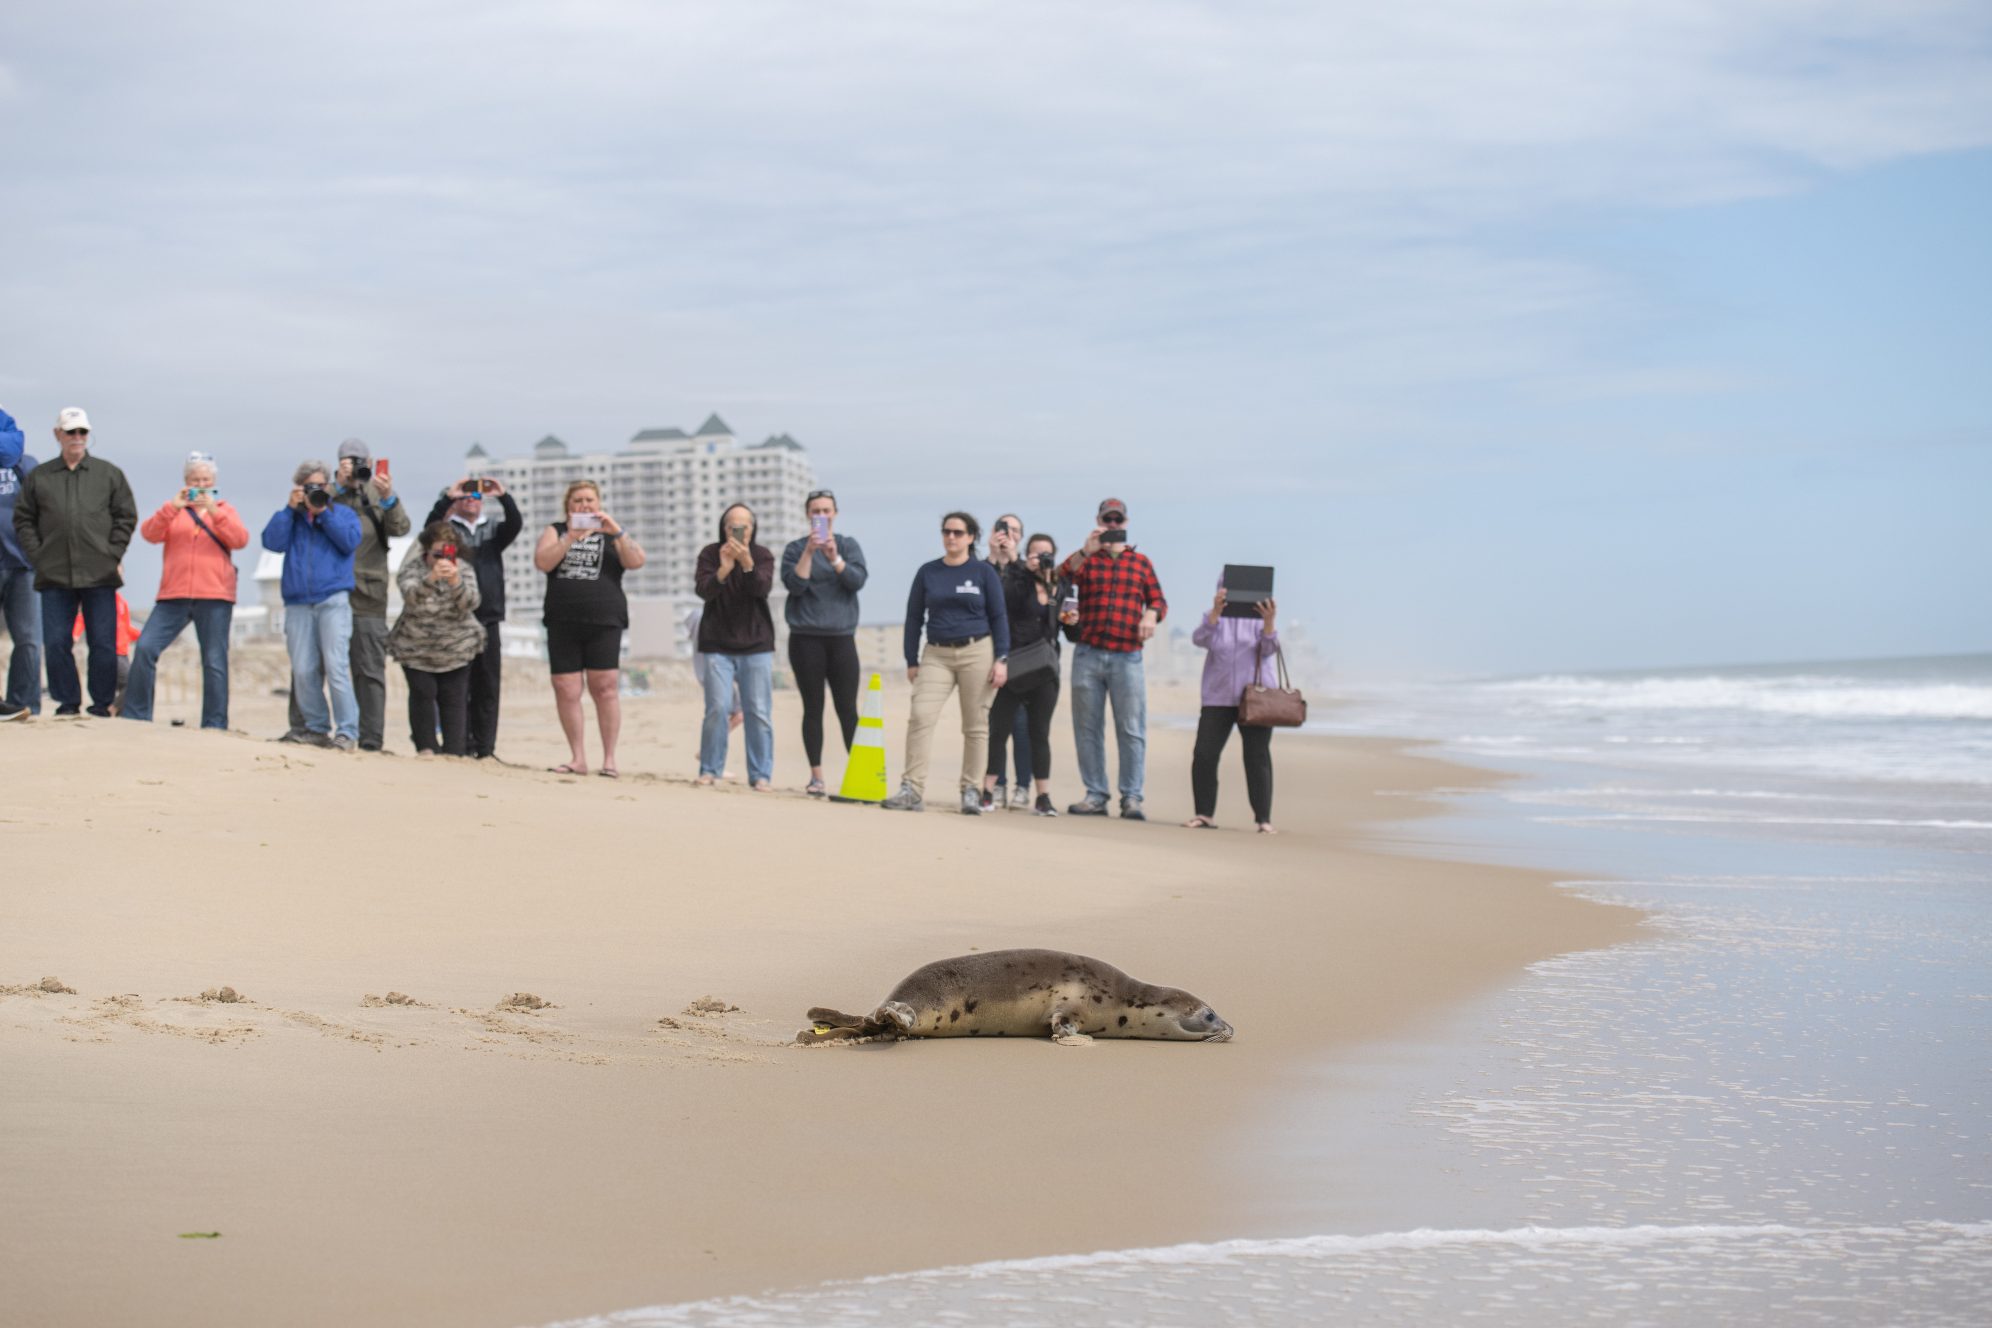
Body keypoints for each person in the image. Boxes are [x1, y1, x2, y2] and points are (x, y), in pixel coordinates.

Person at [10, 407, 137, 718]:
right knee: (55, 643)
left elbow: (126, 516)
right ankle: (67, 703)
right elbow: (24, 519)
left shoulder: (109, 474)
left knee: (103, 644)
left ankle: (100, 705)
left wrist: (112, 553)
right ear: (58, 435)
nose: (77, 438)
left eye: (82, 432)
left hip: (100, 574)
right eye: (71, 432)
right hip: (54, 574)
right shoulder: (40, 477)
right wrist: (38, 556)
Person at [882, 512, 1009, 814]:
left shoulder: (983, 573)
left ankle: (970, 791)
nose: (951, 537)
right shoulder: (928, 572)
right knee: (921, 716)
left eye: (957, 532)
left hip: (977, 651)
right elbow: (914, 617)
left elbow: (999, 616)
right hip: (936, 654)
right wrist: (911, 659)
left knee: (976, 726)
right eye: (946, 532)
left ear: (970, 537)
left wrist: (1001, 658)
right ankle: (911, 788)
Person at [284, 439, 407, 750]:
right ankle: (306, 728)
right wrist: (337, 485)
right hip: (326, 589)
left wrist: (387, 495)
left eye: (360, 461)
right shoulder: (328, 492)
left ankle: (369, 739)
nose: (356, 467)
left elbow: (401, 528)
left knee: (368, 667)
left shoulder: (377, 493)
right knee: (310, 662)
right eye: (348, 462)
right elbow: (316, 512)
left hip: (368, 593)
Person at [119, 453, 247, 730]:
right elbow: (149, 534)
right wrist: (171, 508)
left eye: (206, 480)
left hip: (215, 595)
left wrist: (214, 511)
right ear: (185, 482)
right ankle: (136, 715)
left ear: (214, 483)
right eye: (195, 480)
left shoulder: (225, 510)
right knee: (145, 647)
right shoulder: (174, 511)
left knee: (214, 659)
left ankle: (215, 723)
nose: (201, 485)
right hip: (173, 596)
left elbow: (240, 539)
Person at [1059, 497, 1167, 820]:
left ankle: (1132, 797)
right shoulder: (1087, 560)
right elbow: (1058, 579)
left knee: (1131, 728)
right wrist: (1084, 551)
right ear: (1099, 521)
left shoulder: (1141, 563)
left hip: (1127, 656)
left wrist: (1150, 614)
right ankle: (1095, 794)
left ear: (1126, 523)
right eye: (1108, 520)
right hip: (1088, 653)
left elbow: (1159, 600)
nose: (1113, 526)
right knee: (1087, 727)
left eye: (1118, 521)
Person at [534, 480, 646, 776]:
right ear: (568, 506)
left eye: (589, 501)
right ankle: (577, 757)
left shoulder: (612, 534)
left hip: (605, 620)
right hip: (562, 621)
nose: (584, 506)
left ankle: (609, 759)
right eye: (577, 501)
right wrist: (569, 537)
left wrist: (617, 531)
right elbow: (543, 562)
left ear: (599, 504)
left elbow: (636, 561)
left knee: (605, 687)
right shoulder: (556, 530)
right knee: (566, 688)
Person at [262, 460, 363, 749]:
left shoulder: (342, 513)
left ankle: (347, 732)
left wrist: (323, 514)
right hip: (297, 603)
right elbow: (272, 542)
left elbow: (349, 541)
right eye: (308, 488)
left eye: (319, 486)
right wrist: (289, 509)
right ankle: (317, 728)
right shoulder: (291, 518)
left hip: (332, 599)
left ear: (329, 486)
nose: (314, 492)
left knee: (336, 666)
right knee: (303, 669)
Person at [424, 476, 523, 759]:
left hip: (489, 617)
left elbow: (515, 524)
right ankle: (461, 744)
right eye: (465, 495)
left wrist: (502, 495)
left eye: (476, 495)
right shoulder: (446, 531)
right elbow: (428, 530)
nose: (471, 499)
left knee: (487, 685)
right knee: (458, 685)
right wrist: (449, 497)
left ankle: (485, 747)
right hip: (455, 617)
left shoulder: (493, 530)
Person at [780, 488, 868, 796]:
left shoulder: (847, 545)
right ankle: (816, 777)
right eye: (815, 511)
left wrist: (835, 558)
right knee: (812, 708)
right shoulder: (794, 549)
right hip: (805, 639)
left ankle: (862, 774)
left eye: (826, 511)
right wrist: (809, 552)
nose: (821, 516)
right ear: (807, 515)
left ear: (835, 514)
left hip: (842, 638)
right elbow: (795, 585)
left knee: (848, 709)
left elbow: (857, 581)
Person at [1185, 582, 1280, 834]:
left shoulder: (1260, 618)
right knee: (1204, 754)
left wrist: (1269, 623)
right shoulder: (1215, 618)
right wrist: (1215, 614)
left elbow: (1269, 649)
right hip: (1217, 695)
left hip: (1256, 696)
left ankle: (1263, 819)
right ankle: (1204, 814)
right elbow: (1200, 639)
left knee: (1257, 756)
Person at [694, 502, 776, 790]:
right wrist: (724, 569)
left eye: (744, 526)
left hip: (757, 644)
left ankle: (761, 775)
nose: (739, 531)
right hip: (717, 642)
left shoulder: (762, 555)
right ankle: (710, 769)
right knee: (717, 708)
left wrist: (747, 564)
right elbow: (703, 591)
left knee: (758, 711)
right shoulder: (709, 554)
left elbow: (762, 589)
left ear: (752, 529)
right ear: (723, 528)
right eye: (732, 526)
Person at [981, 533, 1063, 816]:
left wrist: (1070, 619)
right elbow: (1003, 606)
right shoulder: (1016, 581)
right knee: (999, 730)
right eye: (1035, 553)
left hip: (1045, 671)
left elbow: (1068, 631)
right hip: (1013, 666)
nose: (1041, 558)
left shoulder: (1059, 587)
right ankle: (988, 791)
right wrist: (1024, 571)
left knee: (1039, 733)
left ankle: (1043, 797)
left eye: (1046, 554)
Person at [388, 521, 486, 757]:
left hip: (457, 647)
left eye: (448, 552)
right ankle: (426, 747)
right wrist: (430, 578)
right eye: (437, 553)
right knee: (422, 694)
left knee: (454, 699)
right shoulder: (413, 569)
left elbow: (472, 603)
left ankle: (454, 751)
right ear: (426, 551)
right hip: (416, 647)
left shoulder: (463, 569)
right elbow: (411, 597)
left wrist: (455, 582)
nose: (442, 558)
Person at [984, 513, 1034, 809]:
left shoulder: (1026, 569)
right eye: (1003, 529)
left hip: (1022, 656)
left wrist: (1014, 560)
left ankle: (1023, 786)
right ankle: (996, 783)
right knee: (993, 726)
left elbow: (1030, 599)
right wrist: (993, 556)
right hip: (988, 654)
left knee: (1022, 725)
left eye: (1015, 530)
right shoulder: (983, 567)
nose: (1008, 534)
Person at [0, 403, 39, 721]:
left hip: (22, 564)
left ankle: (24, 703)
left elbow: (43, 511)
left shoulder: (25, 465)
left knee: (28, 639)